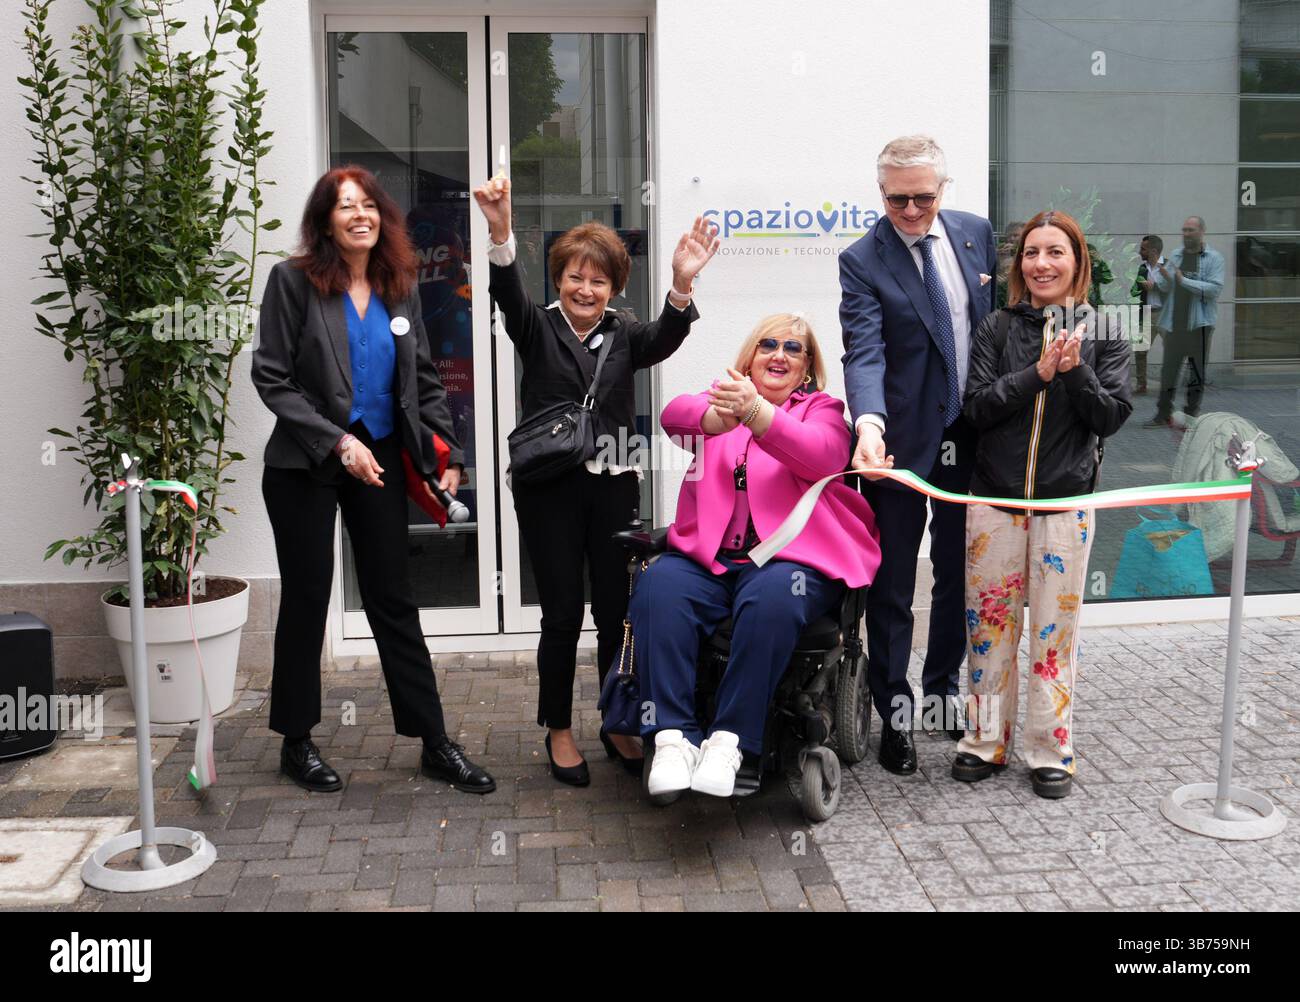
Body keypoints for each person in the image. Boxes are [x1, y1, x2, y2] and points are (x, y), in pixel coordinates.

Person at [252, 166, 495, 795]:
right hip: (305, 465)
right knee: (309, 597)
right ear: (325, 221)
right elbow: (271, 377)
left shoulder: (400, 286)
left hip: (382, 458)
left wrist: (449, 451)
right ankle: (297, 741)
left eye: (368, 205)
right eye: (344, 206)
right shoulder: (293, 282)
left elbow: (423, 382)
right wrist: (337, 441)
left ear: (382, 218)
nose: (359, 214)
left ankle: (433, 741)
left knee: (392, 597)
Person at [472, 172, 718, 786]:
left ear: (614, 286)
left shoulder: (626, 333)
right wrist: (501, 232)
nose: (587, 288)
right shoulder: (535, 327)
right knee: (560, 613)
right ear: (559, 280)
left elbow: (666, 336)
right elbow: (507, 292)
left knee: (618, 613)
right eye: (576, 277)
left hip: (613, 486)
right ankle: (557, 729)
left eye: (599, 279)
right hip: (548, 489)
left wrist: (681, 287)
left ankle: (617, 720)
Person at [631, 315, 881, 798]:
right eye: (768, 344)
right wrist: (720, 417)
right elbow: (675, 417)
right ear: (749, 357)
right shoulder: (723, 399)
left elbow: (824, 455)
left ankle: (729, 742)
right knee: (657, 585)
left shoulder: (821, 409)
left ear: (807, 367)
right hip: (714, 560)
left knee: (773, 598)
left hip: (793, 561)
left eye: (794, 348)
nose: (779, 354)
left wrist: (758, 415)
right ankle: (673, 738)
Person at [954, 210, 1132, 799]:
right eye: (1032, 253)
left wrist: (1074, 371)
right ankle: (984, 741)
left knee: (1055, 635)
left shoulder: (1105, 328)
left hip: (1065, 508)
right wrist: (1037, 373)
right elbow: (975, 410)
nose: (1042, 264)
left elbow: (1110, 416)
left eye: (1056, 252)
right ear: (1019, 265)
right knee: (988, 633)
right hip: (993, 506)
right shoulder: (997, 329)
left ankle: (1050, 750)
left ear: (1078, 262)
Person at [840, 135, 997, 773]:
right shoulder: (862, 260)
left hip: (971, 436)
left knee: (960, 578)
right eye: (898, 199)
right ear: (881, 194)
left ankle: (941, 694)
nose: (910, 210)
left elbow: (994, 325)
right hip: (898, 447)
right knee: (894, 585)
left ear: (943, 189)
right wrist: (869, 425)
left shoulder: (974, 234)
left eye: (923, 198)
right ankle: (895, 714)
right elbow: (865, 350)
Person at [1149, 216, 1224, 425]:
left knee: (1196, 373)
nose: (1186, 234)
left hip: (1199, 325)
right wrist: (1162, 279)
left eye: (1190, 230)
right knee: (1168, 371)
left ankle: (1191, 416)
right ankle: (1163, 414)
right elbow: (1168, 287)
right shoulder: (1176, 255)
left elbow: (1214, 290)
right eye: (1184, 230)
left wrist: (1184, 281)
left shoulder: (1213, 258)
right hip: (1175, 324)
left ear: (1202, 232)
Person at [1129, 234, 1166, 394]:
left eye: (1143, 249)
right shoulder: (1143, 268)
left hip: (1165, 314)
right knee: (1140, 350)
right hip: (1147, 314)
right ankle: (1141, 384)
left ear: (1153, 251)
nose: (1140, 252)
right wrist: (1138, 285)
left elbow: (1176, 288)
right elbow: (1134, 292)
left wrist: (1155, 287)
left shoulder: (1169, 266)